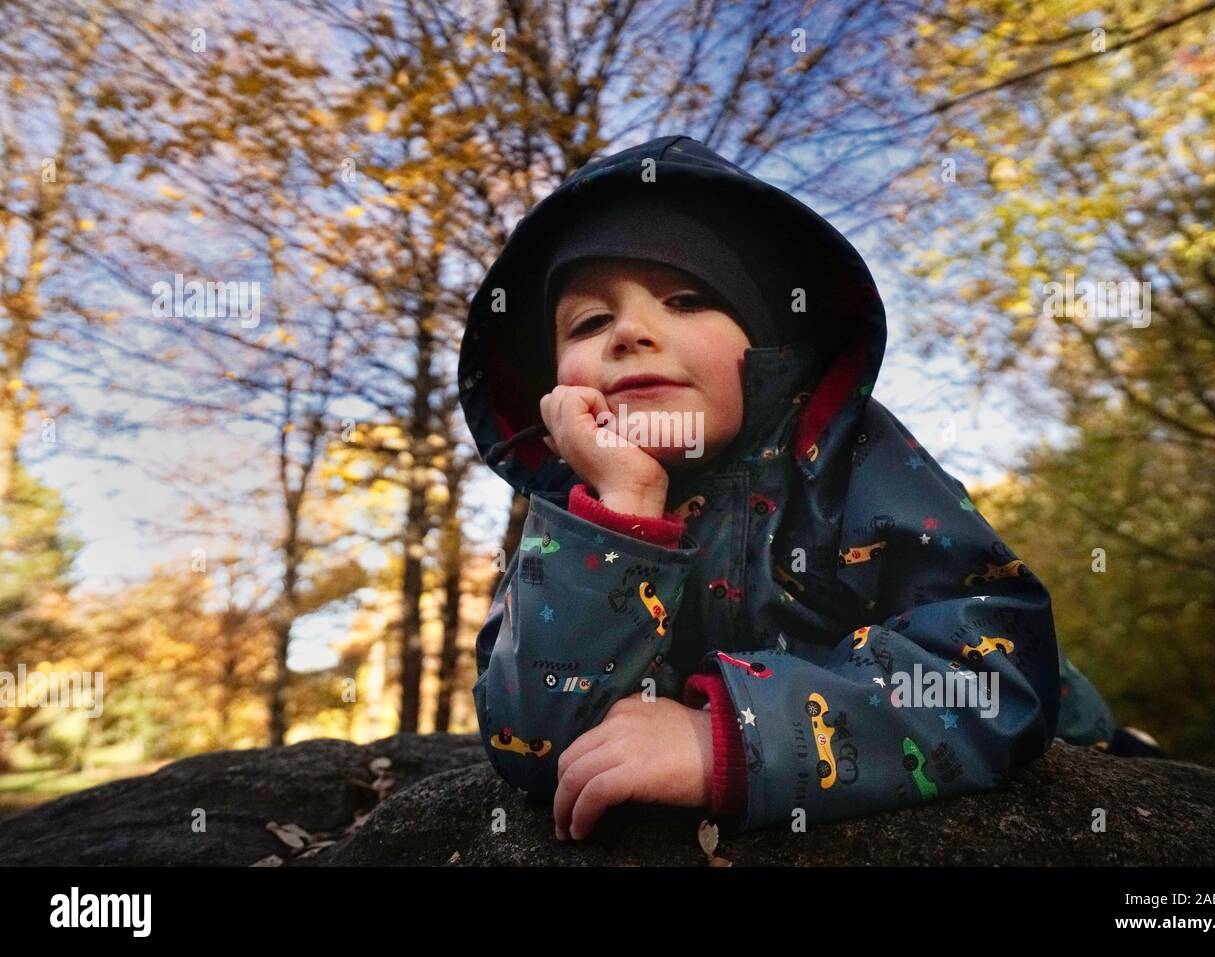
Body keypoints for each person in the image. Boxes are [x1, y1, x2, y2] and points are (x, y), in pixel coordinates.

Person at [459, 134, 1154, 841]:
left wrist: (727, 738)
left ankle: (1131, 738)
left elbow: (993, 665)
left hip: (1069, 737)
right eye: (590, 321)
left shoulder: (850, 456)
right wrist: (623, 508)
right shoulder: (572, 518)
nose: (631, 331)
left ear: (766, 343)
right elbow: (534, 742)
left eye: (688, 298)